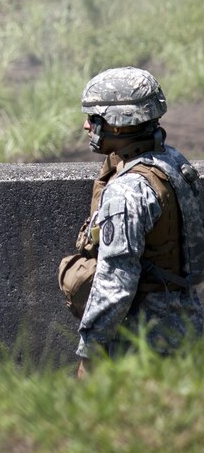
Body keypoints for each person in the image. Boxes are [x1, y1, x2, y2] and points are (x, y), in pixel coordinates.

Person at [59, 66, 204, 378]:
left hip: (144, 341)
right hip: (188, 325)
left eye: (95, 118)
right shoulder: (174, 162)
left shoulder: (128, 190)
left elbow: (116, 282)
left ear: (121, 123)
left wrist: (90, 352)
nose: (87, 125)